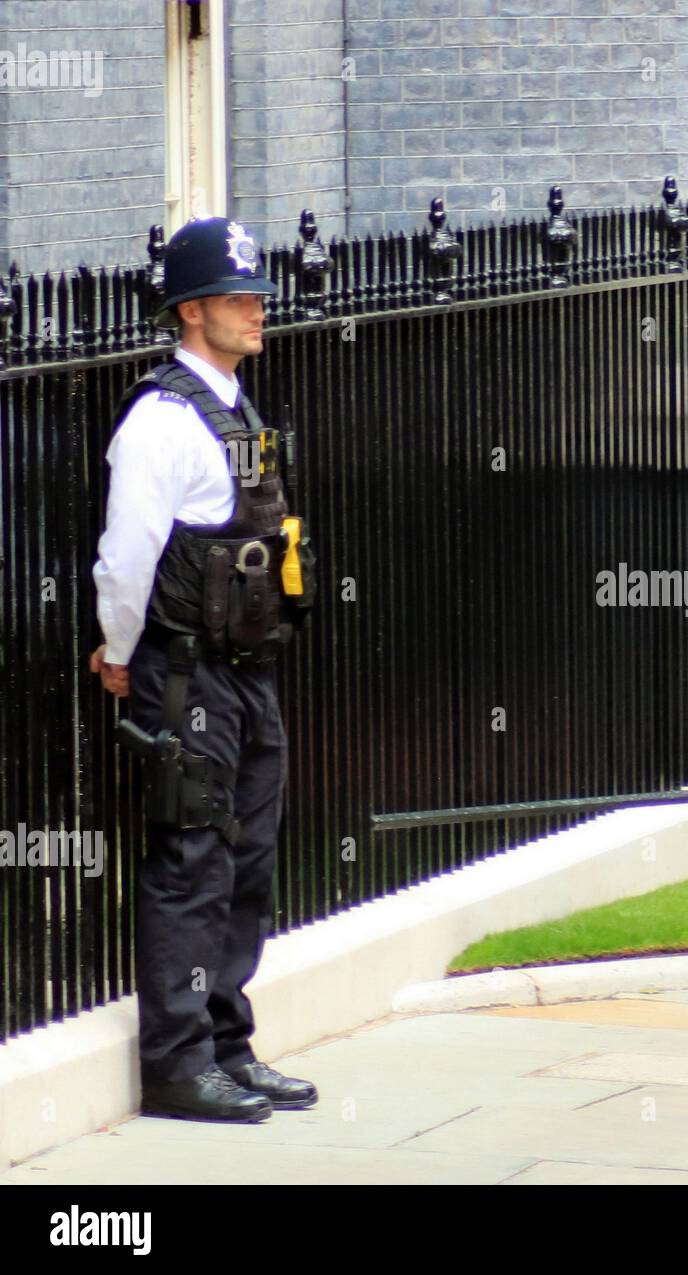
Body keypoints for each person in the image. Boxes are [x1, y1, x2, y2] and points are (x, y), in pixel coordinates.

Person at [90, 217, 318, 1120]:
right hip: (186, 675)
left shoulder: (234, 403)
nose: (256, 309)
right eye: (237, 297)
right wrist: (116, 647)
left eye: (258, 295)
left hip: (248, 673)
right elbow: (127, 554)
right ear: (190, 311)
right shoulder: (162, 419)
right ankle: (180, 1064)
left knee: (248, 861)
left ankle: (228, 1042)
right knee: (191, 863)